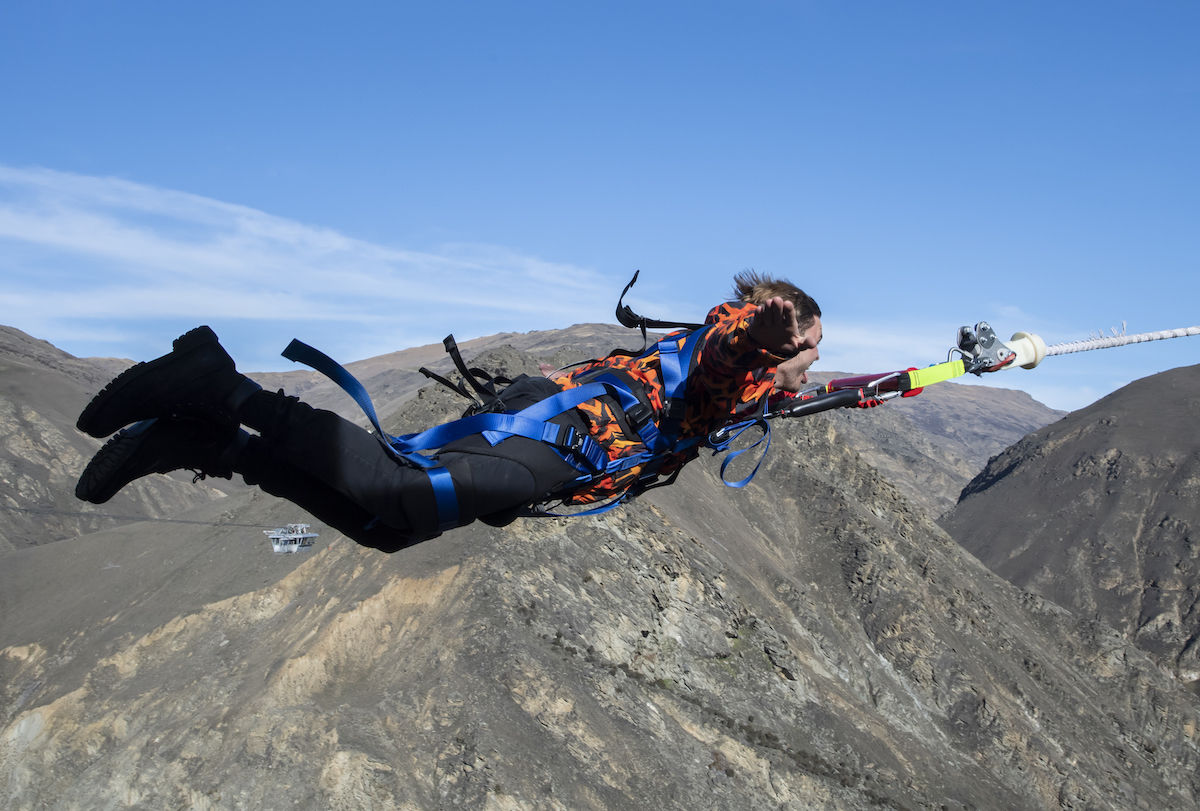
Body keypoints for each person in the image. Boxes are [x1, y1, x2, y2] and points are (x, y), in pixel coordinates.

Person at [75, 271, 822, 552]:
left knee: (385, 526)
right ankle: (219, 387)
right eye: (809, 344)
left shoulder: (759, 390)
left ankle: (210, 443)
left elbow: (807, 390)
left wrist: (925, 372)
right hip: (569, 431)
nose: (812, 357)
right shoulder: (729, 355)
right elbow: (720, 358)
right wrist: (754, 337)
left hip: (567, 447)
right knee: (411, 494)